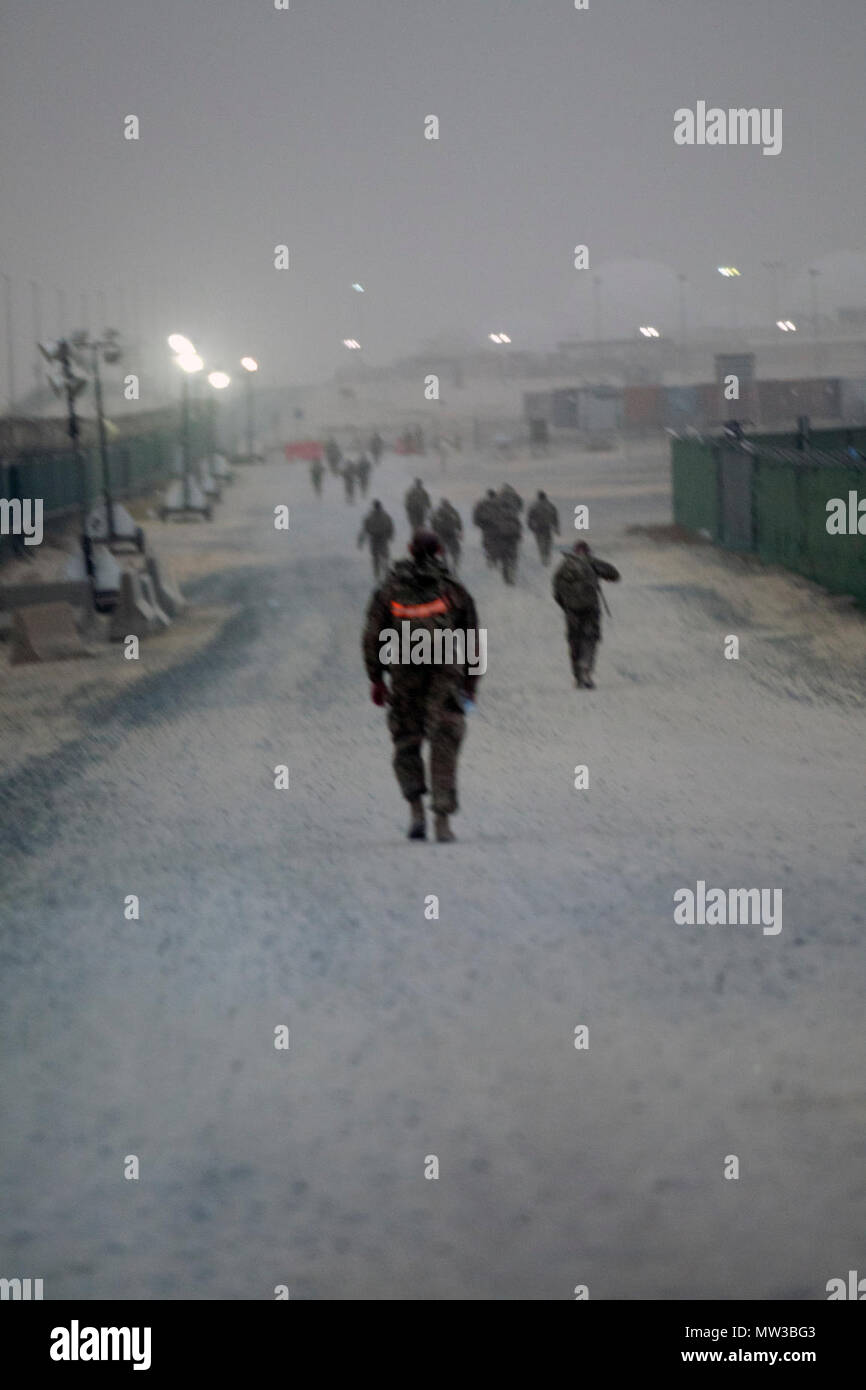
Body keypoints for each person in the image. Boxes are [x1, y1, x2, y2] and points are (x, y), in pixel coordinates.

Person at [362, 530, 481, 843]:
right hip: (445, 675)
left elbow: (372, 635)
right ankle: (442, 820)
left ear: (409, 550)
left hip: (404, 675)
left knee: (406, 741)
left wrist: (376, 678)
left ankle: (416, 812)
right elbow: (471, 637)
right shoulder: (454, 589)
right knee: (445, 741)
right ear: (441, 550)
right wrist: (471, 681)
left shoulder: (389, 589)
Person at [552, 540, 620, 689]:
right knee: (590, 638)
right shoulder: (592, 562)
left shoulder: (565, 565)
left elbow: (556, 590)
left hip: (571, 611)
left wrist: (566, 605)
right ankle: (586, 668)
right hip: (591, 608)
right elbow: (614, 575)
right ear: (588, 552)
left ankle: (577, 675)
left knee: (574, 640)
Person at [357, 499, 395, 579]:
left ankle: (380, 573)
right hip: (378, 538)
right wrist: (390, 536)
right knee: (380, 556)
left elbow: (364, 529)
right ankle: (379, 573)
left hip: (379, 538)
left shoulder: (371, 516)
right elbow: (390, 527)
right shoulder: (384, 516)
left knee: (379, 557)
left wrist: (361, 540)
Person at [489, 497, 522, 585]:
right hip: (512, 540)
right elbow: (519, 526)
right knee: (513, 559)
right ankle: (512, 576)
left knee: (504, 560)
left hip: (502, 540)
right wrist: (518, 537)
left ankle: (506, 579)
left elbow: (494, 528)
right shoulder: (514, 514)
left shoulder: (497, 515)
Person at [526, 489, 560, 564]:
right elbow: (555, 518)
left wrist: (531, 527)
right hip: (547, 528)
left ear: (538, 497)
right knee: (547, 544)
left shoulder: (534, 506)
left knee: (541, 544)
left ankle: (543, 558)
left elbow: (529, 518)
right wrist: (556, 529)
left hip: (538, 528)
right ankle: (547, 558)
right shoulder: (550, 506)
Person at [430, 497, 463, 571]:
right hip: (450, 533)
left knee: (444, 549)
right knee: (454, 549)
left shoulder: (438, 511)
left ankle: (447, 564)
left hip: (442, 533)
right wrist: (460, 530)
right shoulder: (452, 511)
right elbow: (458, 521)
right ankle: (454, 563)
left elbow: (433, 522)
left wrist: (434, 531)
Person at [472, 489, 500, 568]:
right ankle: (495, 559)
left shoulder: (482, 503)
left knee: (486, 544)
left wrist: (478, 524)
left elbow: (476, 514)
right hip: (497, 527)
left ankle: (488, 558)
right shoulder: (499, 504)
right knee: (496, 543)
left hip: (486, 527)